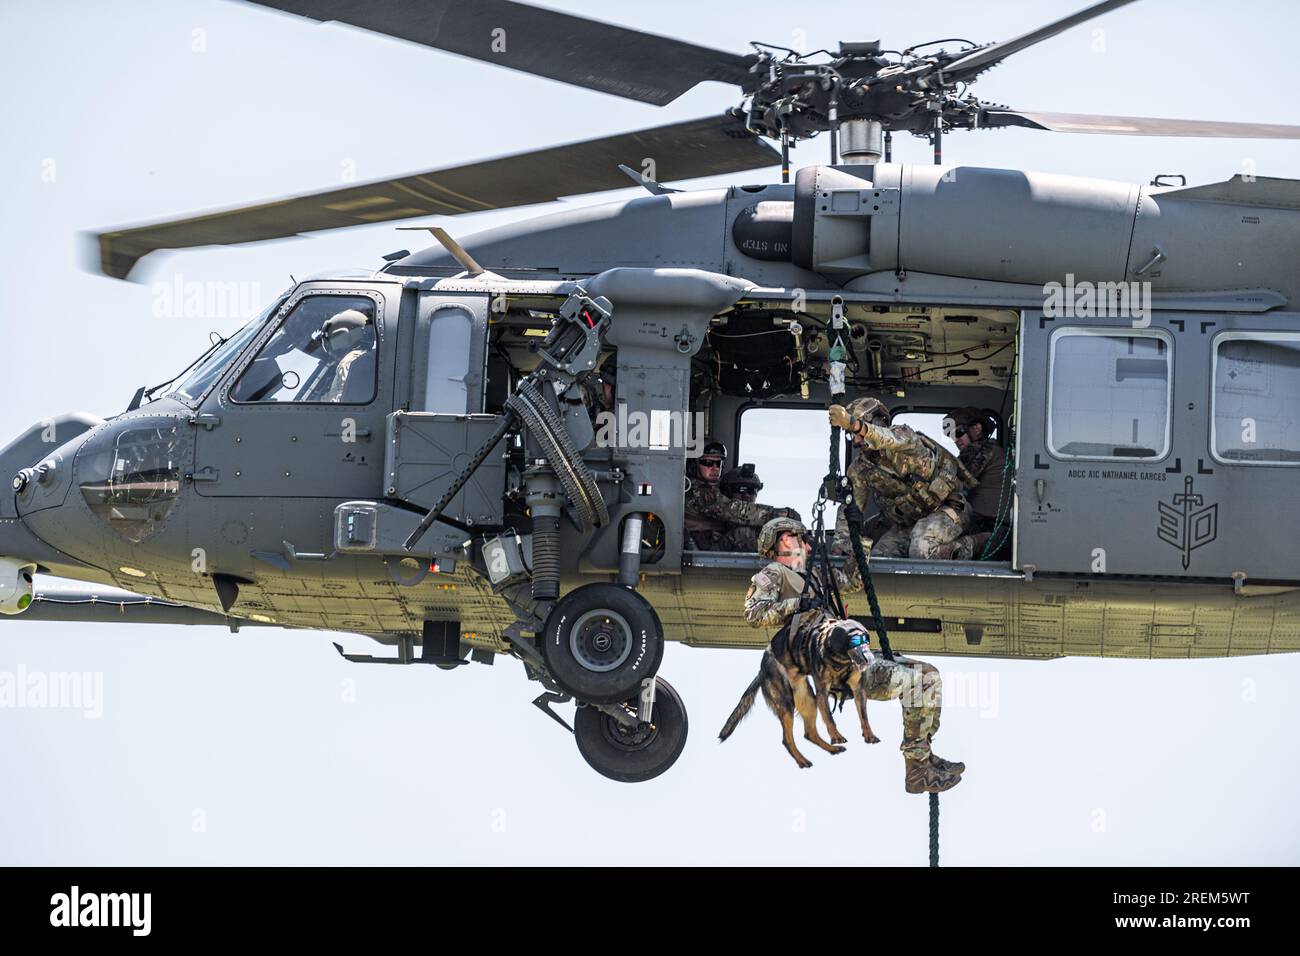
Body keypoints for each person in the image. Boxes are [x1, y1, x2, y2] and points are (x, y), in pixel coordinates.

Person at [743, 516, 964, 792]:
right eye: (802, 538)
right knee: (917, 683)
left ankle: (923, 756)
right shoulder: (774, 574)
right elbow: (754, 613)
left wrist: (862, 541)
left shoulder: (813, 574)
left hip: (847, 655)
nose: (808, 545)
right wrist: (796, 604)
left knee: (929, 675)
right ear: (784, 541)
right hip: (834, 666)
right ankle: (917, 769)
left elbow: (852, 580)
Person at [828, 397, 971, 559]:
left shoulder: (903, 436)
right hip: (911, 522)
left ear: (878, 422)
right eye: (851, 434)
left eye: (857, 433)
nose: (855, 440)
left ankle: (975, 543)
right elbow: (850, 506)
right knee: (879, 558)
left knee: (921, 549)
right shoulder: (860, 469)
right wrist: (840, 544)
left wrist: (854, 424)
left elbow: (888, 438)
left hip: (950, 510)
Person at [684, 439, 798, 551]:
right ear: (694, 465)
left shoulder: (711, 490)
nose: (715, 468)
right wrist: (777, 514)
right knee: (744, 533)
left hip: (709, 547)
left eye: (718, 463)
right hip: (703, 552)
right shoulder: (698, 492)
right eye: (708, 463)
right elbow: (734, 510)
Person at [935, 406, 1010, 560]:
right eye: (951, 435)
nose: (955, 440)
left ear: (977, 429)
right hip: (984, 526)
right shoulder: (985, 450)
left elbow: (950, 481)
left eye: (958, 433)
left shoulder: (982, 450)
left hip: (989, 529)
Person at [318, 308, 375, 403]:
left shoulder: (349, 362)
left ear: (343, 336)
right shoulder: (370, 358)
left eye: (333, 339)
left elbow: (337, 404)